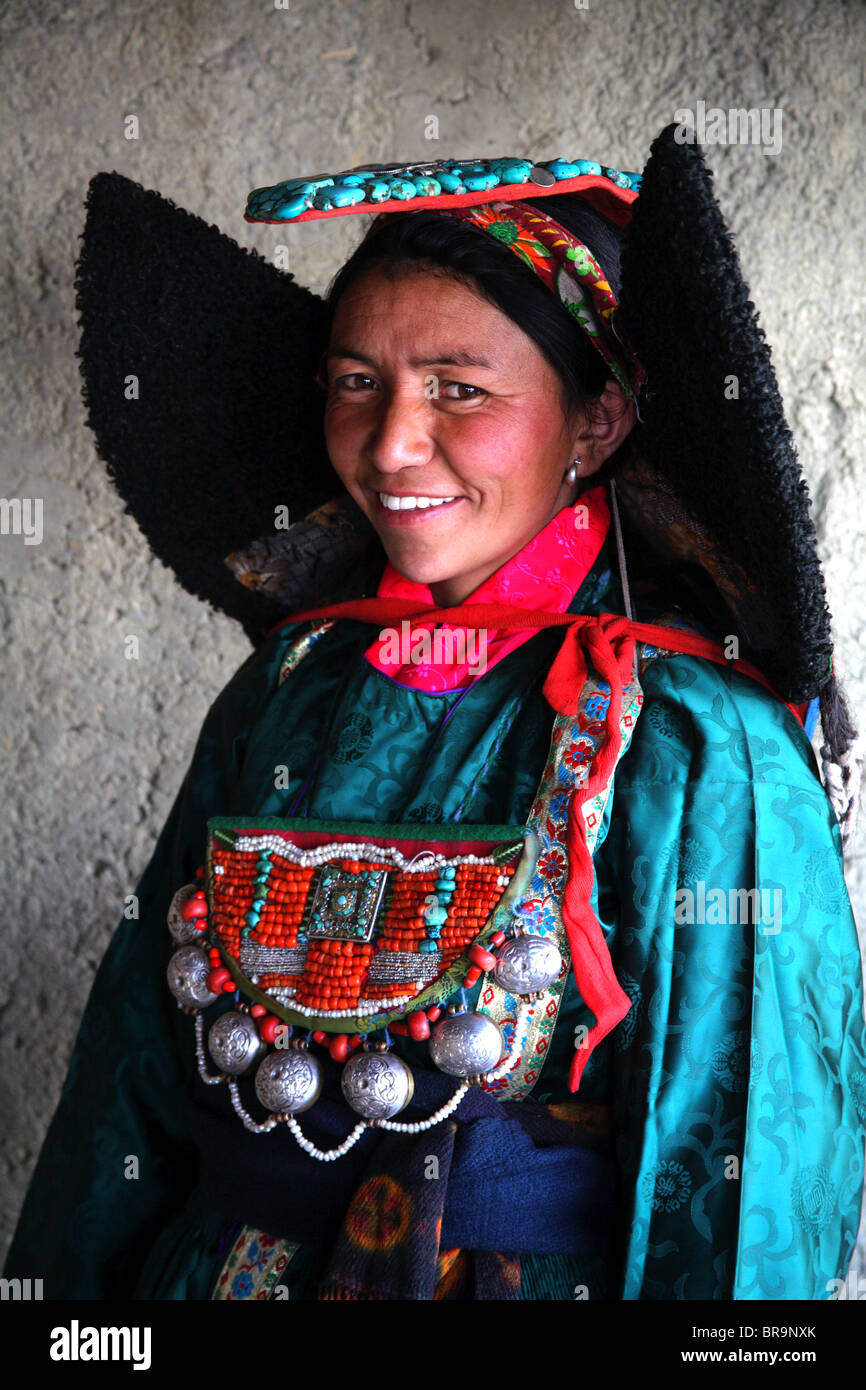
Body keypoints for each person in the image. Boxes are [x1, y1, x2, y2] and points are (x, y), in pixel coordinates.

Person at [5, 125, 865, 1301]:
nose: (391, 442)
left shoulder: (693, 736)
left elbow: (749, 1169)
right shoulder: (287, 687)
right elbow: (129, 1081)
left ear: (597, 418)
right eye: (356, 382)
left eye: (457, 389)